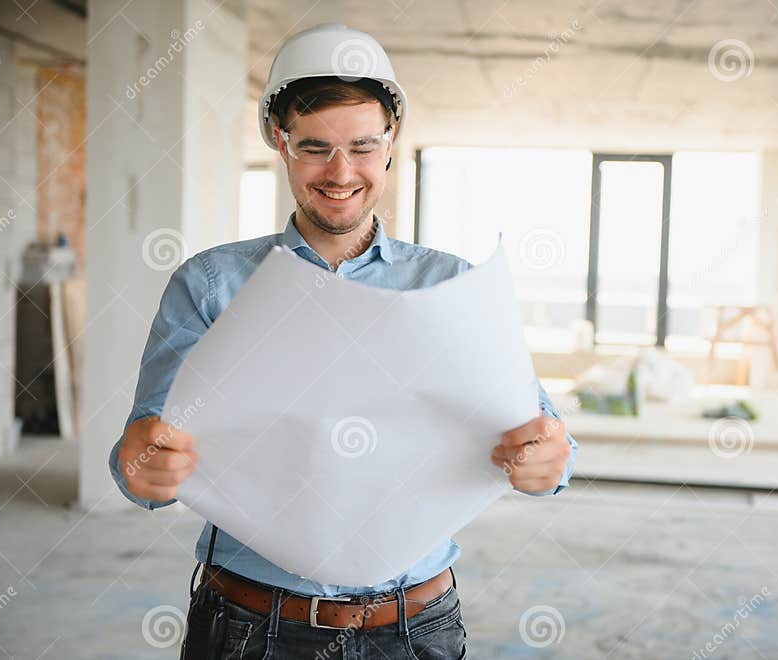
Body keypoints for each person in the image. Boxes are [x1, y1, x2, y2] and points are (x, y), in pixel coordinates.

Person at [109, 23, 578, 659]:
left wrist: (548, 460)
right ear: (280, 142)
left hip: (414, 627)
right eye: (315, 147)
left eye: (362, 146)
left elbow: (542, 435)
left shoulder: (451, 286)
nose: (340, 172)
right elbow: (142, 450)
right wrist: (142, 466)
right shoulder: (212, 284)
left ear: (390, 143)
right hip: (251, 625)